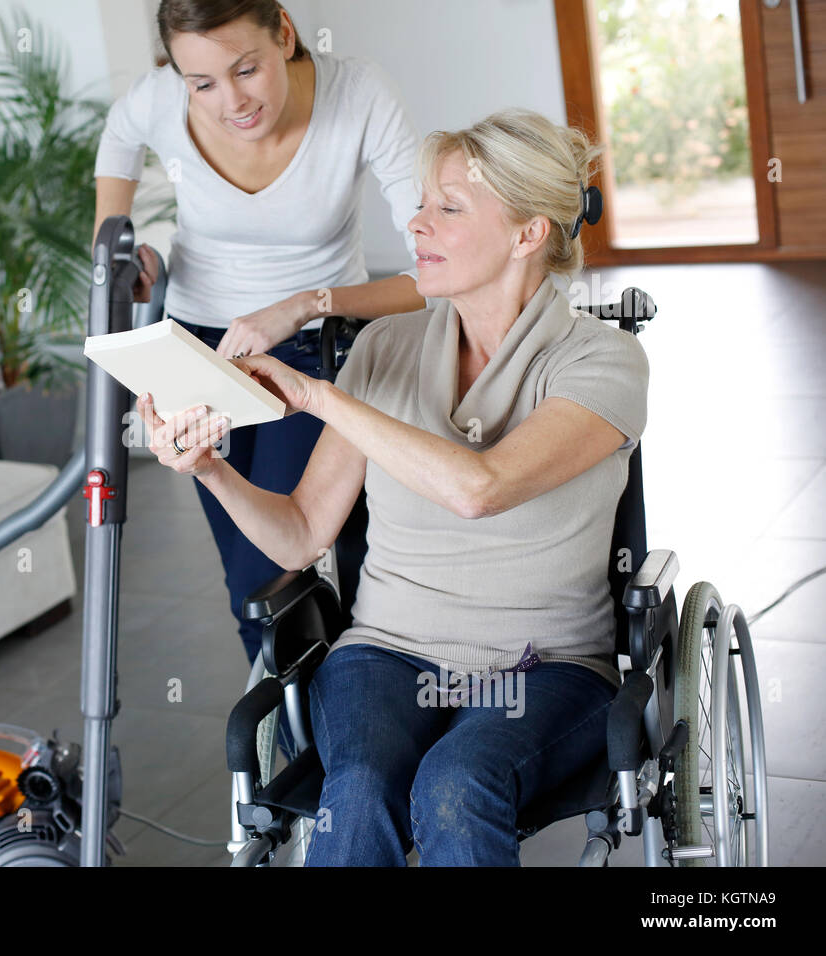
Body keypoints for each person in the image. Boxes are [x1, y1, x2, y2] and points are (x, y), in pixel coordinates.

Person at [136, 108, 650, 866]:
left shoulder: (603, 363)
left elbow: (482, 487)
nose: (415, 225)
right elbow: (302, 531)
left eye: (448, 208)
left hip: (546, 665)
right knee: (361, 786)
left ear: (528, 233)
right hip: (386, 652)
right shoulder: (384, 349)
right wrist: (209, 468)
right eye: (420, 204)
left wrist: (318, 396)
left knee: (456, 782)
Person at [93, 0, 426, 676]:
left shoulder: (358, 93)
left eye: (246, 70)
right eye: (202, 84)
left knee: (303, 551)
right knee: (251, 584)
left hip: (313, 349)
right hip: (196, 348)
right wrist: (117, 249)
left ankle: (373, 692)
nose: (230, 102)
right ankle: (283, 739)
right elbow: (119, 139)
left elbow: (438, 272)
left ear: (284, 31)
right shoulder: (160, 99)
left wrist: (304, 303)